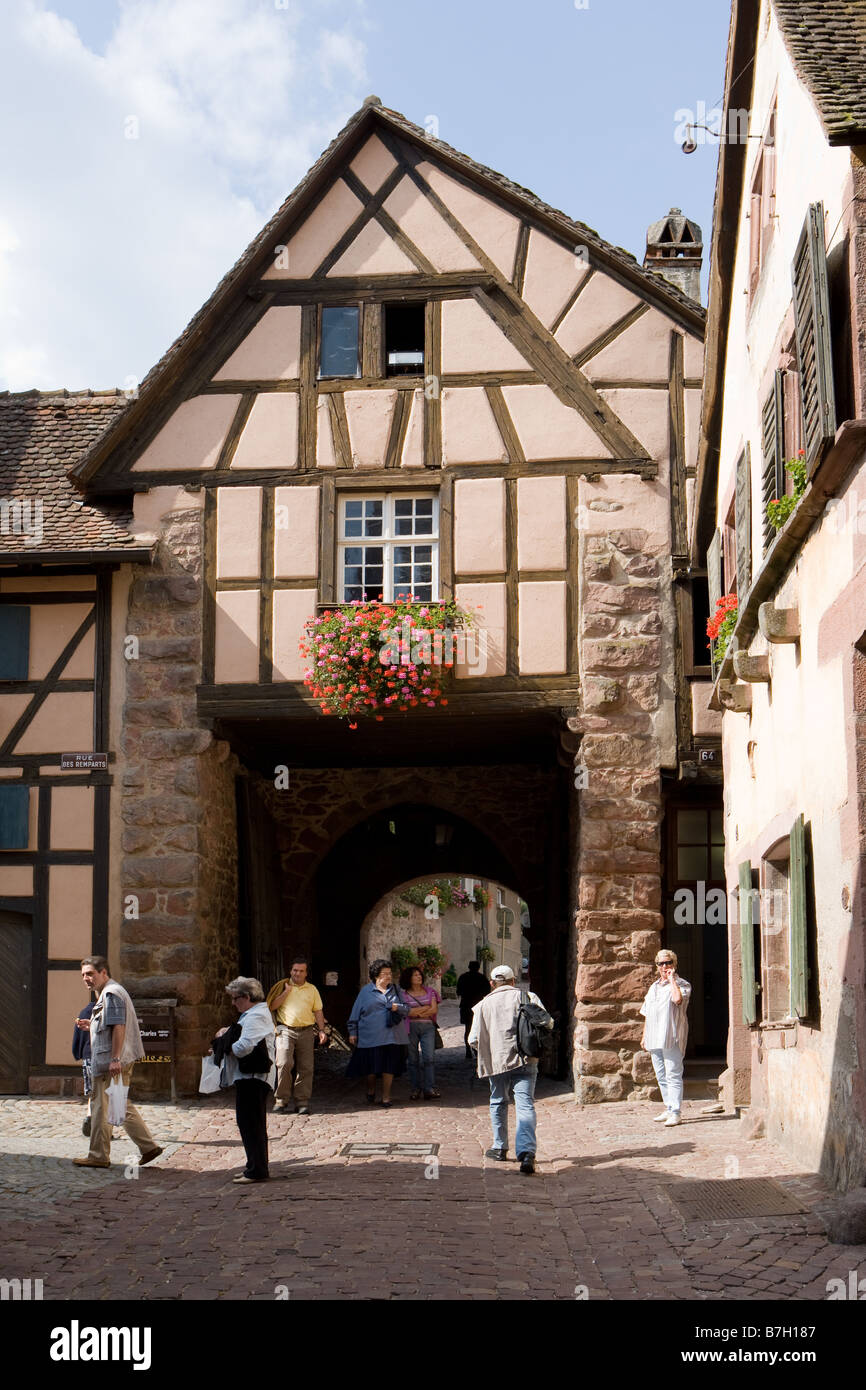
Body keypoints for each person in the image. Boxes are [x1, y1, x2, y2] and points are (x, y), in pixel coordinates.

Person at [72, 956, 163, 1169]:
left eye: (91, 974)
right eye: (83, 975)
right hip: (117, 1059)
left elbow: (119, 1026)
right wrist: (92, 1024)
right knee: (118, 1104)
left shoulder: (111, 993)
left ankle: (98, 1156)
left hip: (110, 1061)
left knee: (100, 1106)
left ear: (104, 972)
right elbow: (111, 1024)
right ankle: (148, 1147)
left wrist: (114, 1059)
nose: (86, 978)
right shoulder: (110, 991)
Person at [468, 964, 552, 1175]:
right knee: (525, 1104)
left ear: (492, 984)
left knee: (498, 1101)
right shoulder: (528, 997)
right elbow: (548, 1023)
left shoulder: (483, 1005)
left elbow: (473, 1039)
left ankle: (499, 1147)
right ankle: (526, 1152)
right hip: (525, 1058)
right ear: (514, 981)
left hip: (497, 1062)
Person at [212, 977, 277, 1183]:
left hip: (254, 1077)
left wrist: (225, 1044)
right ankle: (253, 1166)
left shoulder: (256, 1016)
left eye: (235, 998)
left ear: (247, 997)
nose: (233, 1003)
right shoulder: (252, 1014)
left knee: (252, 1123)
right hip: (249, 1077)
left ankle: (257, 1169)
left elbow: (244, 1047)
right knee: (249, 1123)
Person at [266, 958, 328, 1115]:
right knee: (284, 1063)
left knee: (306, 1067)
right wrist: (286, 993)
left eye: (301, 971)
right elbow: (271, 1006)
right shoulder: (282, 986)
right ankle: (281, 1100)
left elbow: (318, 1011)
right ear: (290, 971)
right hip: (284, 1030)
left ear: (306, 973)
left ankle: (302, 1102)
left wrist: (321, 1030)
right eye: (295, 970)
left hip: (306, 1031)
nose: (297, 973)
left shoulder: (312, 989)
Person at [640, 949, 692, 1127]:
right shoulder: (653, 987)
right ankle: (669, 1107)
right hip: (654, 1036)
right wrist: (644, 1035)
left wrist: (671, 980)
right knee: (661, 1075)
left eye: (668, 962)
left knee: (673, 1074)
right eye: (661, 963)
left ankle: (676, 1112)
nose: (665, 966)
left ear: (674, 964)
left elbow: (678, 999)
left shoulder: (682, 984)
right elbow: (647, 1012)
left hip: (671, 1035)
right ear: (657, 966)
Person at [346, 959, 409, 1107]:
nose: (388, 976)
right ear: (375, 976)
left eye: (389, 973)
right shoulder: (365, 992)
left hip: (393, 1036)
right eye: (384, 974)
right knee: (371, 1070)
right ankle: (371, 1089)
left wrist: (397, 1007)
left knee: (389, 1067)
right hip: (371, 1037)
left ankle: (386, 1097)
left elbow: (407, 1010)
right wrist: (352, 1032)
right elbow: (355, 1014)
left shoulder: (397, 990)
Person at [400, 965, 441, 1101]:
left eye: (419, 975)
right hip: (410, 1028)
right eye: (415, 975)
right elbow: (407, 1012)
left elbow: (433, 1010)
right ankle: (415, 1089)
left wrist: (415, 1012)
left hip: (428, 1027)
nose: (419, 977)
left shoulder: (430, 991)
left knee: (429, 1058)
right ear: (408, 978)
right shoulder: (403, 995)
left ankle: (429, 1088)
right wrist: (424, 1008)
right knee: (413, 1060)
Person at [456, 960, 490, 1059]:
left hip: (466, 1005)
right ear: (478, 967)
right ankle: (476, 1050)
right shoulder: (482, 978)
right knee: (478, 1028)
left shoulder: (463, 977)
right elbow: (487, 992)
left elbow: (458, 991)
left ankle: (468, 1050)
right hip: (478, 1006)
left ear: (468, 966)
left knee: (468, 1028)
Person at [72, 1000, 95, 1136]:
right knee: (103, 1093)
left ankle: (89, 1116)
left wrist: (78, 1053)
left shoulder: (84, 1012)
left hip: (87, 1055)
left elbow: (77, 1037)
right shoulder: (103, 1011)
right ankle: (102, 1127)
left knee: (92, 1092)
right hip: (98, 1054)